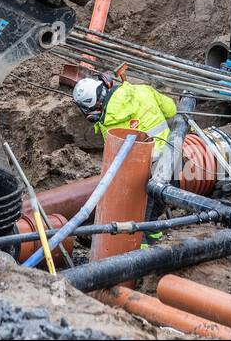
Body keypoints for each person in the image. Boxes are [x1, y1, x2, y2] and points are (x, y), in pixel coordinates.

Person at [72, 74, 180, 246]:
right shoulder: (142, 90)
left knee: (140, 220)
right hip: (172, 163)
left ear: (92, 108)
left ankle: (145, 256)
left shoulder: (109, 124)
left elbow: (118, 159)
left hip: (146, 175)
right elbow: (172, 110)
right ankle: (156, 240)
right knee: (151, 213)